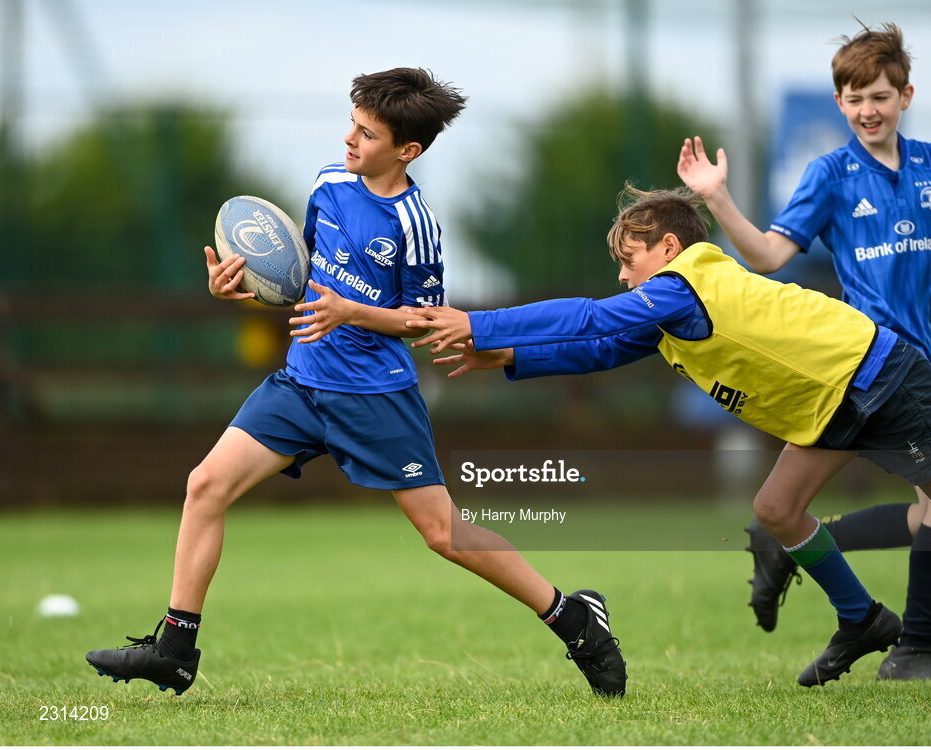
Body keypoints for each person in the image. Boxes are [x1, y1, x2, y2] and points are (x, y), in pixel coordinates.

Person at [84, 68, 626, 699]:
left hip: (374, 394)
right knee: (205, 484)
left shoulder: (414, 223)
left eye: (367, 134)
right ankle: (175, 649)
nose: (350, 140)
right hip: (302, 381)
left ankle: (571, 617)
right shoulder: (328, 185)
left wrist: (354, 313)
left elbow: (424, 322)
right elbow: (303, 290)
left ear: (407, 151)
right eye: (352, 124)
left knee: (443, 534)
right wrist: (241, 290)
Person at [401, 184, 931, 687]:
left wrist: (479, 322)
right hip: (830, 402)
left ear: (670, 246)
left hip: (882, 383)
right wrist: (508, 356)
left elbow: (591, 317)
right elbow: (602, 348)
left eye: (629, 259)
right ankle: (863, 620)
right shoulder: (670, 306)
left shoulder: (686, 284)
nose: (622, 275)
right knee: (777, 509)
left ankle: (877, 622)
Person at [676, 21, 931, 680]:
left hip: (905, 370)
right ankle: (910, 646)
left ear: (906, 95)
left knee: (928, 513)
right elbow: (769, 256)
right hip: (856, 367)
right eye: (855, 98)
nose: (868, 110)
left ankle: (892, 632)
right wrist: (717, 197)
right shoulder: (829, 175)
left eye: (880, 97)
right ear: (839, 104)